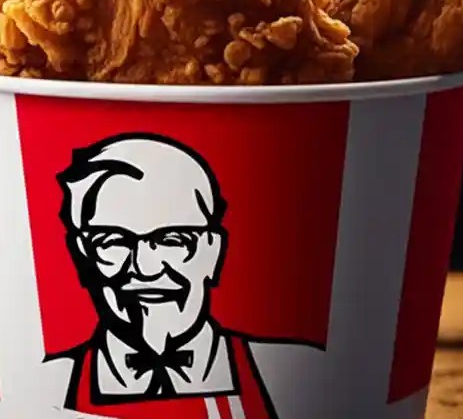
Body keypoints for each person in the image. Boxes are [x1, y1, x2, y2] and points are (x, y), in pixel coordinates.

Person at [44, 133, 287, 418]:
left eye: (173, 240)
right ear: (83, 256)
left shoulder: (286, 371)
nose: (146, 268)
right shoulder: (46, 382)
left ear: (213, 251)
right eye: (113, 241)